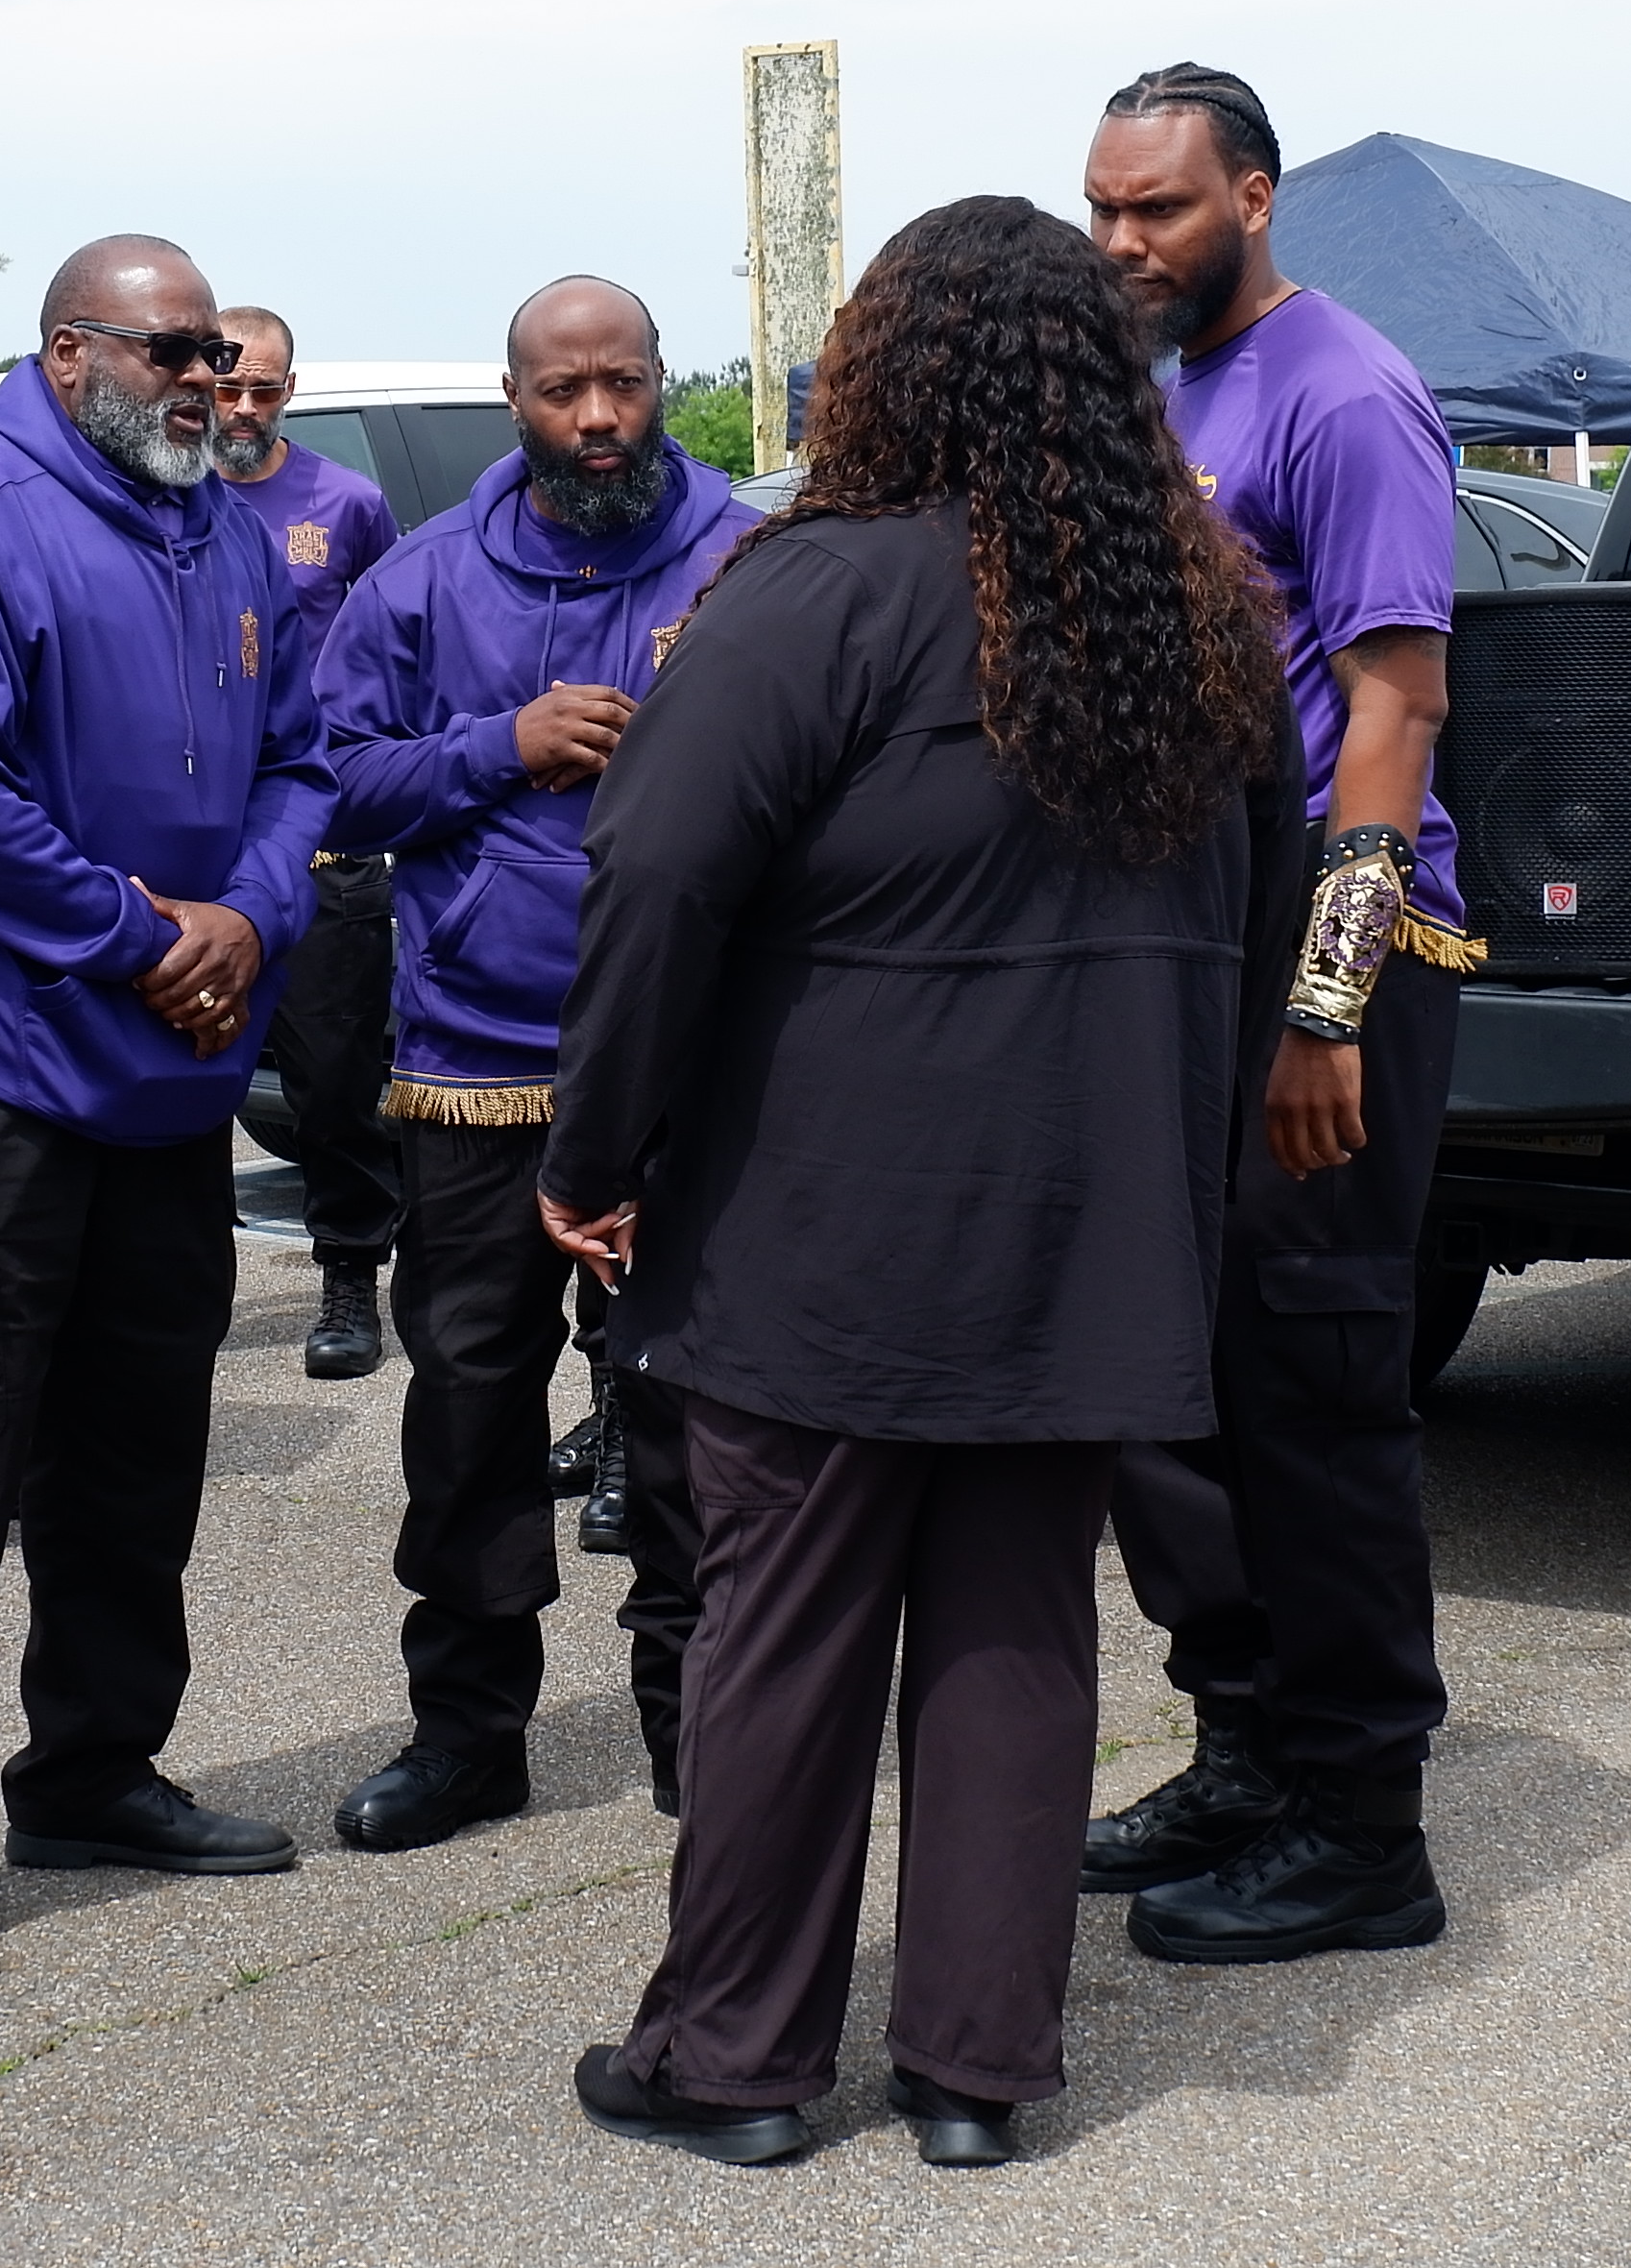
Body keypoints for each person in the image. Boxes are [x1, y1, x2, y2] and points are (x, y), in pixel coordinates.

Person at [541, 199, 1295, 2169]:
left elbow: (657, 880)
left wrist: (594, 1148)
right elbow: (1270, 919)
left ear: (882, 369)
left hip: (831, 1235)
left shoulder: (816, 595)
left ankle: (741, 2060)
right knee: (1018, 1637)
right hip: (1091, 1228)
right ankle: (975, 2068)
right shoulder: (1194, 616)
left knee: (780, 1634)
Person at [0, 237, 332, 1985]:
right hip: (0, 1076)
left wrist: (250, 914)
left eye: (217, 346)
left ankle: (94, 1769)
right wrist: (140, 936)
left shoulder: (229, 528)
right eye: (169, 344)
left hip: (166, 1081)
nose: (203, 374)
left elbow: (304, 758)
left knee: (137, 1461)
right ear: (67, 350)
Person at [1078, 59, 1486, 1967]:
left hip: (1342, 969)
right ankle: (1248, 1748)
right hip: (1206, 963)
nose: (1124, 241)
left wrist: (1327, 1008)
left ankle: (1361, 1829)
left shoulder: (1346, 391)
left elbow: (1397, 716)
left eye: (1158, 207)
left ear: (1253, 193)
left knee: (1318, 1398)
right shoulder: (1176, 389)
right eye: (1103, 209)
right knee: (1193, 1396)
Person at [313, 275, 747, 1853]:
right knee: (473, 1412)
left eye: (623, 383)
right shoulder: (422, 579)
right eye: (564, 390)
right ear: (514, 397)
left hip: (696, 1064)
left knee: (695, 1415)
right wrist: (503, 742)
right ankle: (466, 1734)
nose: (598, 419)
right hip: (478, 1063)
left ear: (659, 380)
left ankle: (704, 1739)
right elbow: (335, 783)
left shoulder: (749, 556)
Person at [208, 304, 405, 1378]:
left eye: (264, 389)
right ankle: (187, 1285)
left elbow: (389, 654)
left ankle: (347, 1279)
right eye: (228, 384)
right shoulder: (165, 493)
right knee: (189, 1076)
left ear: (292, 389)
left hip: (324, 841)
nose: (243, 407)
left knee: (333, 1083)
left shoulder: (347, 502)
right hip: (198, 846)